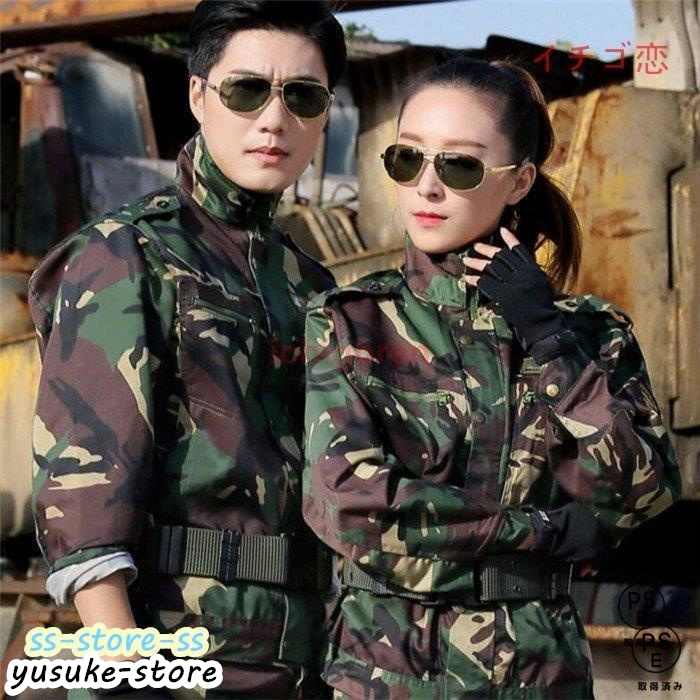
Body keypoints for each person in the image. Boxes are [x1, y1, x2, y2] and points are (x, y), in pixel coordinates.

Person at [302, 56, 682, 698]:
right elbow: (351, 507)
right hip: (390, 674)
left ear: (519, 180)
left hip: (541, 675)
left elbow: (643, 493)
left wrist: (549, 341)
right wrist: (545, 532)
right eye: (407, 159)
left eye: (459, 165)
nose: (427, 187)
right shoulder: (352, 323)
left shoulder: (590, 336)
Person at [28, 1, 346, 696]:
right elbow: (83, 494)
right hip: (173, 650)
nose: (274, 119)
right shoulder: (127, 254)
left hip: (305, 656)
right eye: (247, 90)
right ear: (199, 96)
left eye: (303, 96)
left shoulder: (311, 286)